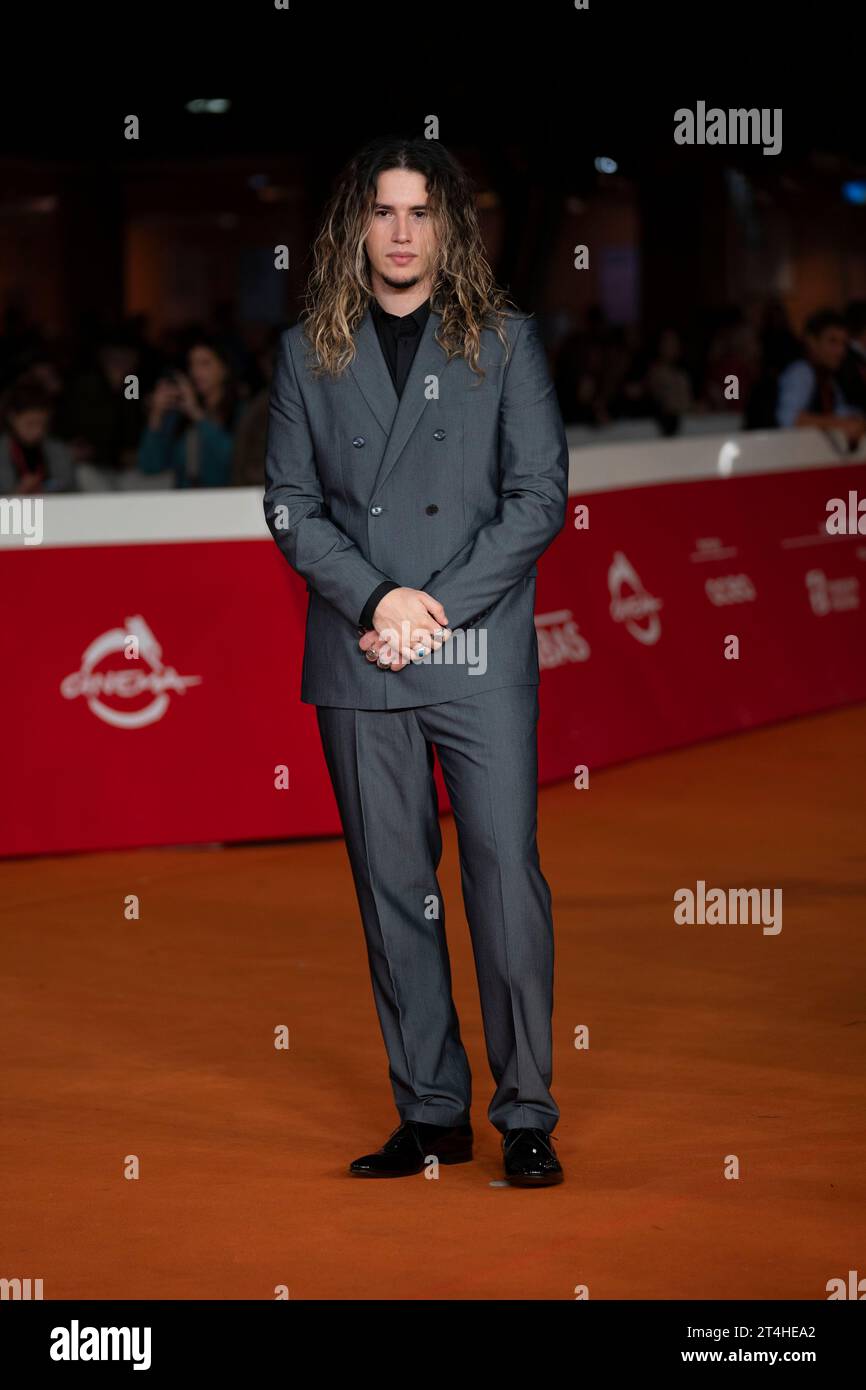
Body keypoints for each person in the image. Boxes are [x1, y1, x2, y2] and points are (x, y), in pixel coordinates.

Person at [263, 135, 568, 1186]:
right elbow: (288, 507)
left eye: (419, 213)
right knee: (393, 889)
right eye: (382, 213)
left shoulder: (503, 342)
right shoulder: (309, 351)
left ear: (448, 225)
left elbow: (538, 500)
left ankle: (524, 1110)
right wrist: (375, 598)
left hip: (473, 648)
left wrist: (430, 607)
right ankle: (431, 1111)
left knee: (499, 878)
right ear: (357, 227)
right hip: (359, 656)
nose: (400, 233)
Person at [137, 336, 244, 487]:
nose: (196, 371)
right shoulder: (181, 414)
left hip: (227, 499)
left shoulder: (241, 411)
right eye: (192, 364)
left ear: (225, 368)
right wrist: (157, 414)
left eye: (205, 363)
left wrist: (197, 415)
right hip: (185, 501)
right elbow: (150, 466)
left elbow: (234, 460)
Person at [775, 309, 865, 445]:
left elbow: (840, 411)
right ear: (811, 341)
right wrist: (841, 424)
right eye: (832, 341)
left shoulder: (827, 379)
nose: (840, 351)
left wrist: (855, 420)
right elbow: (789, 419)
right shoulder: (801, 372)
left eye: (843, 344)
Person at [0, 380, 76, 495]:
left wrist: (44, 486)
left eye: (42, 424)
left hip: (54, 505)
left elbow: (66, 481)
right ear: (12, 417)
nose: (37, 431)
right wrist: (18, 490)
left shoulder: (55, 448)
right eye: (30, 424)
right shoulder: (3, 450)